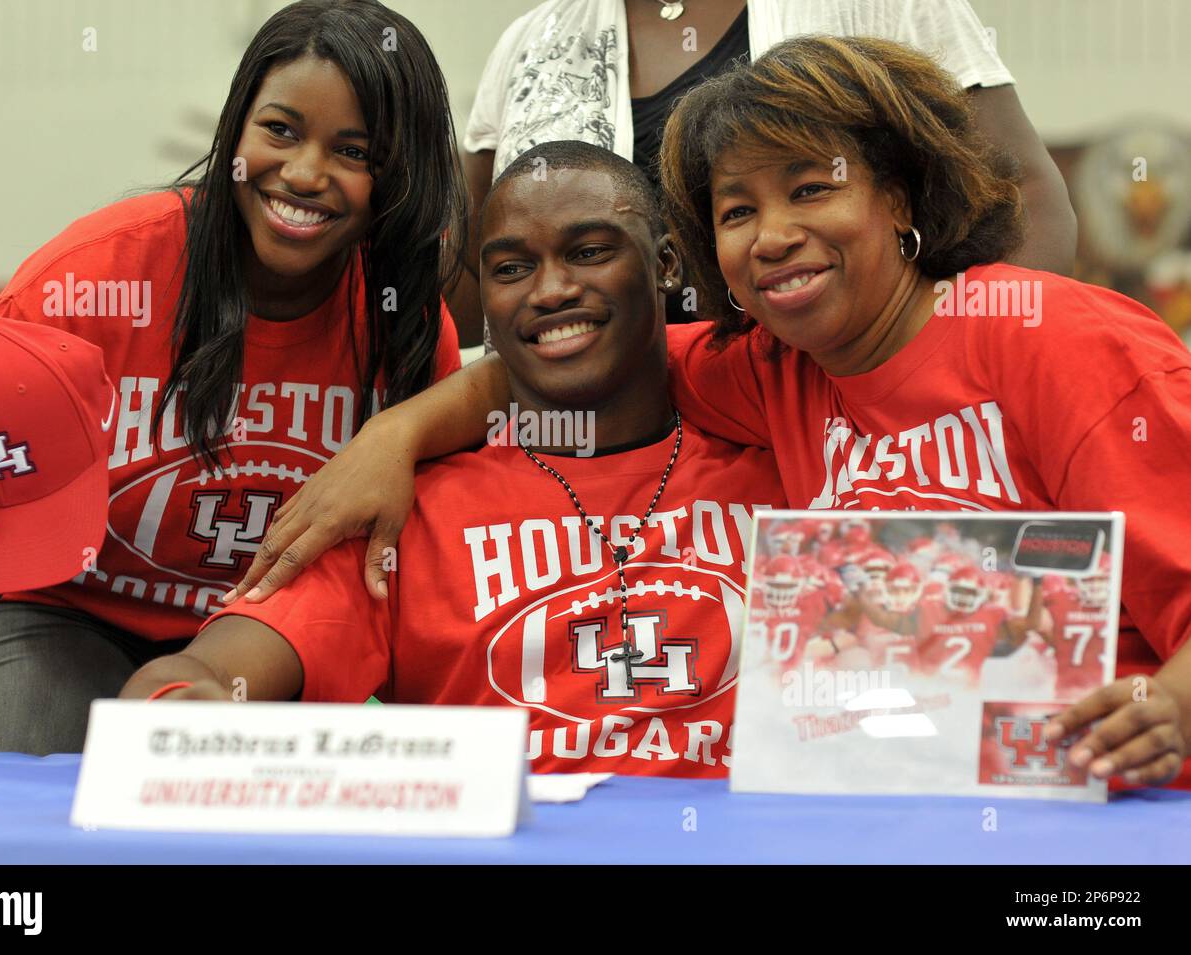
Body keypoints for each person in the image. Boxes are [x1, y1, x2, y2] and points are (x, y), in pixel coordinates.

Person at [235, 38, 1191, 789]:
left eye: (811, 189)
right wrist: (393, 433)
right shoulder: (774, 370)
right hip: (895, 800)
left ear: (898, 195)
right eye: (737, 213)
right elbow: (558, 356)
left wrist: (1173, 704)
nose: (774, 237)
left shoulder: (1054, 339)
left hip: (1105, 803)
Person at [0, 0, 465, 755]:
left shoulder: (408, 328)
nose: (302, 172)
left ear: (401, 176)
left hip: (262, 636)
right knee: (50, 796)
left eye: (353, 151)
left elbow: (406, 572)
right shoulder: (87, 281)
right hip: (61, 616)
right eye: (280, 130)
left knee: (214, 814)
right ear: (235, 131)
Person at [121, 142, 786, 777]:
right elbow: (196, 675)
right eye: (510, 268)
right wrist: (184, 708)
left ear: (666, 263)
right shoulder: (404, 515)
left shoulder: (788, 463)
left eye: (587, 252)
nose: (550, 290)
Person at [446, 0, 1077, 344]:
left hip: (843, 424)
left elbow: (1025, 195)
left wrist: (947, 376)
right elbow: (471, 267)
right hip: (604, 448)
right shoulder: (530, 44)